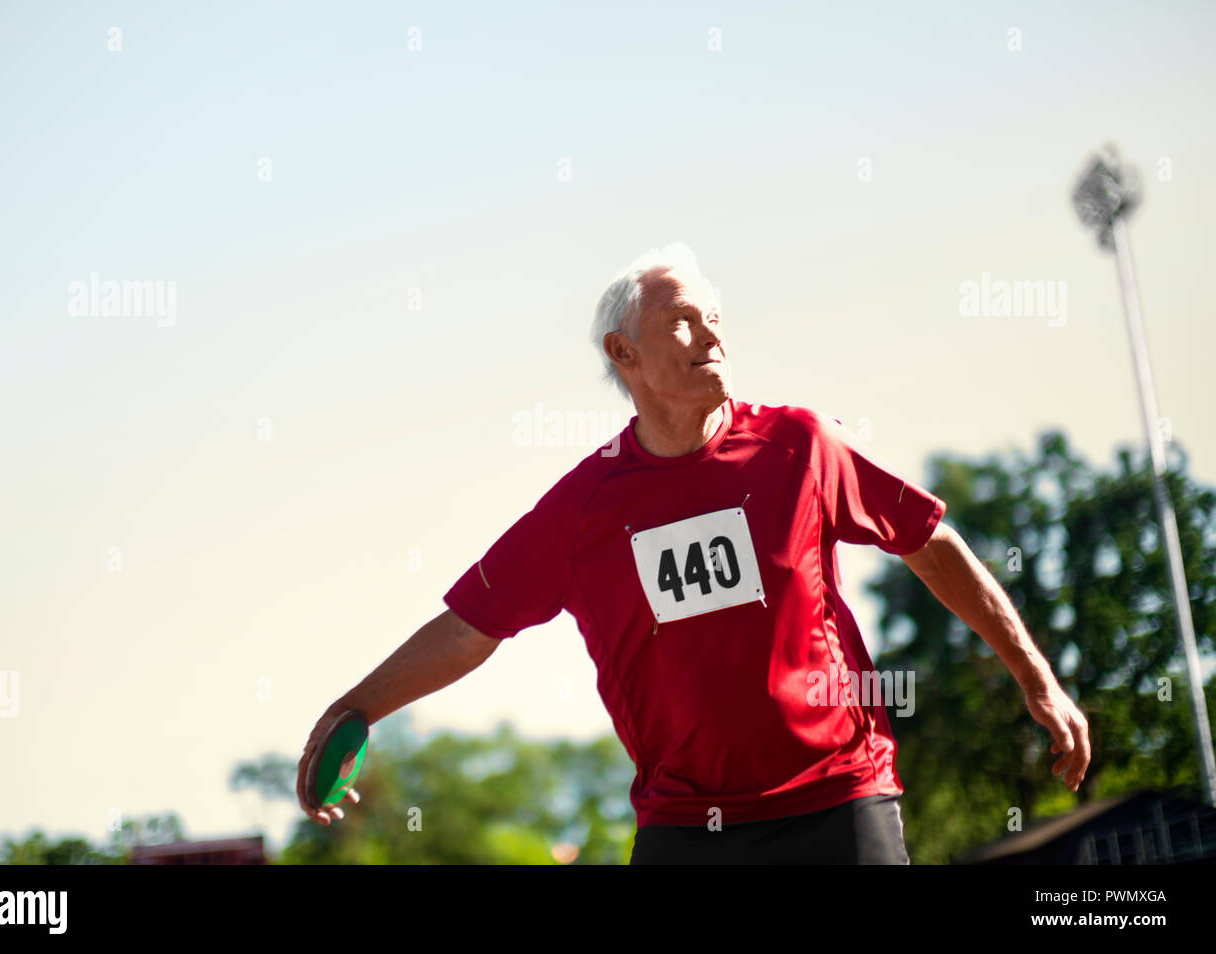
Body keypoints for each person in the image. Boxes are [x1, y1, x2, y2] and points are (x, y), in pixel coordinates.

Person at [296, 242, 1091, 864]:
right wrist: (354, 707)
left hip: (838, 799)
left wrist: (1037, 679)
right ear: (624, 353)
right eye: (683, 319)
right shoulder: (584, 509)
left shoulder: (801, 446)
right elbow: (471, 628)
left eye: (716, 316)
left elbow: (928, 542)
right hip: (687, 826)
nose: (712, 333)